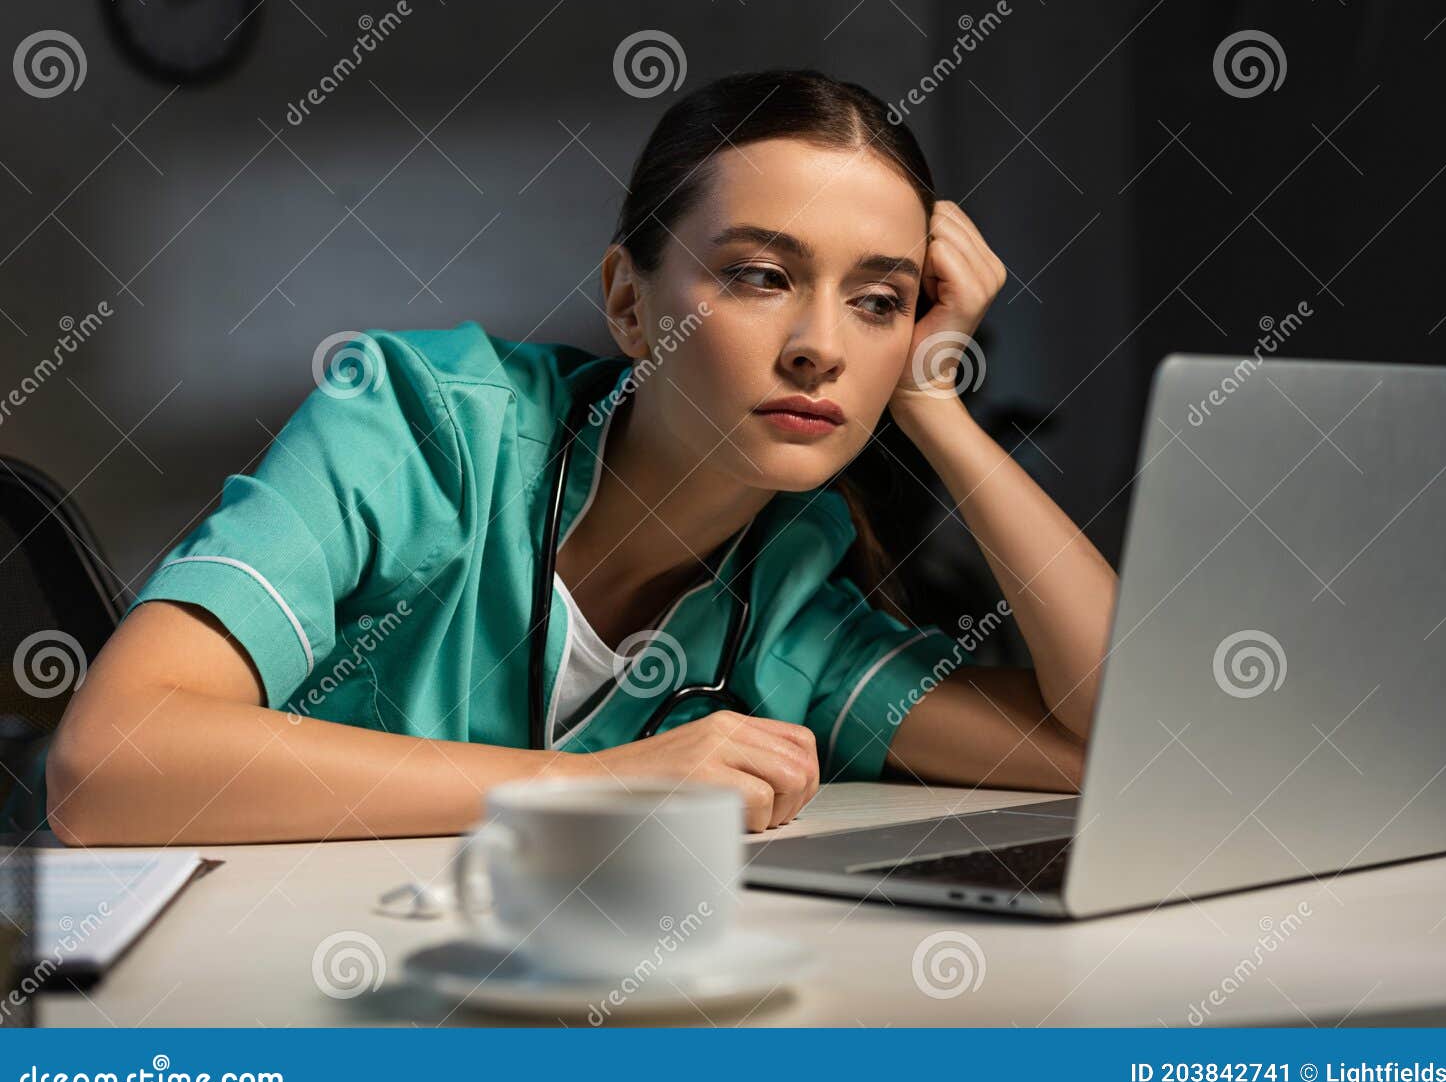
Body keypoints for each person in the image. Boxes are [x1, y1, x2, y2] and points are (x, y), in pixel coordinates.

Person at [46, 68, 1117, 844]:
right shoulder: (420, 426)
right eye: (758, 276)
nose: (822, 348)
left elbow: (1115, 749)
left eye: (879, 302)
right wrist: (602, 782)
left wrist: (932, 406)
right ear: (629, 303)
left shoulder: (788, 599)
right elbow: (106, 770)